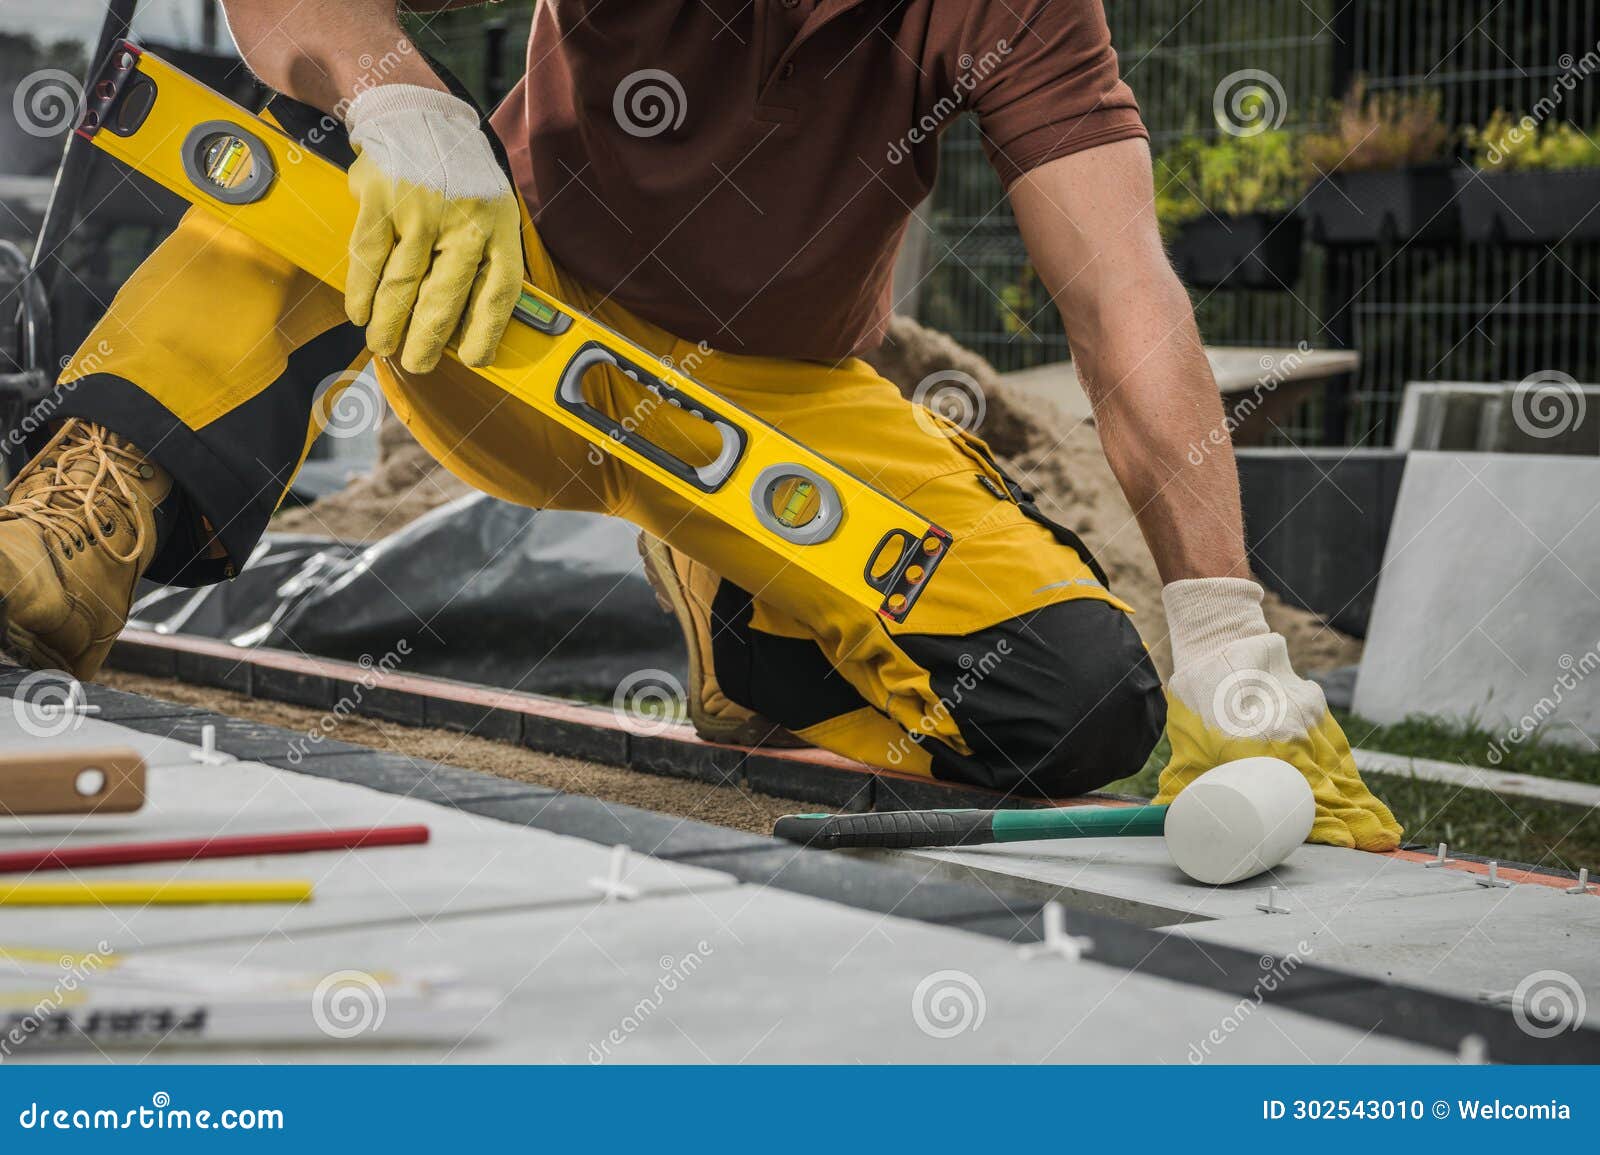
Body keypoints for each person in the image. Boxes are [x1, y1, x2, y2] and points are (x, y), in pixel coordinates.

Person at [0, 0, 1400, 850]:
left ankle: (757, 624)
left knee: (1074, 694)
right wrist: (398, 99)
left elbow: (1122, 298)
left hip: (771, 427)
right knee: (324, 140)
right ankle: (93, 491)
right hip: (500, 313)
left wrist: (1224, 632)